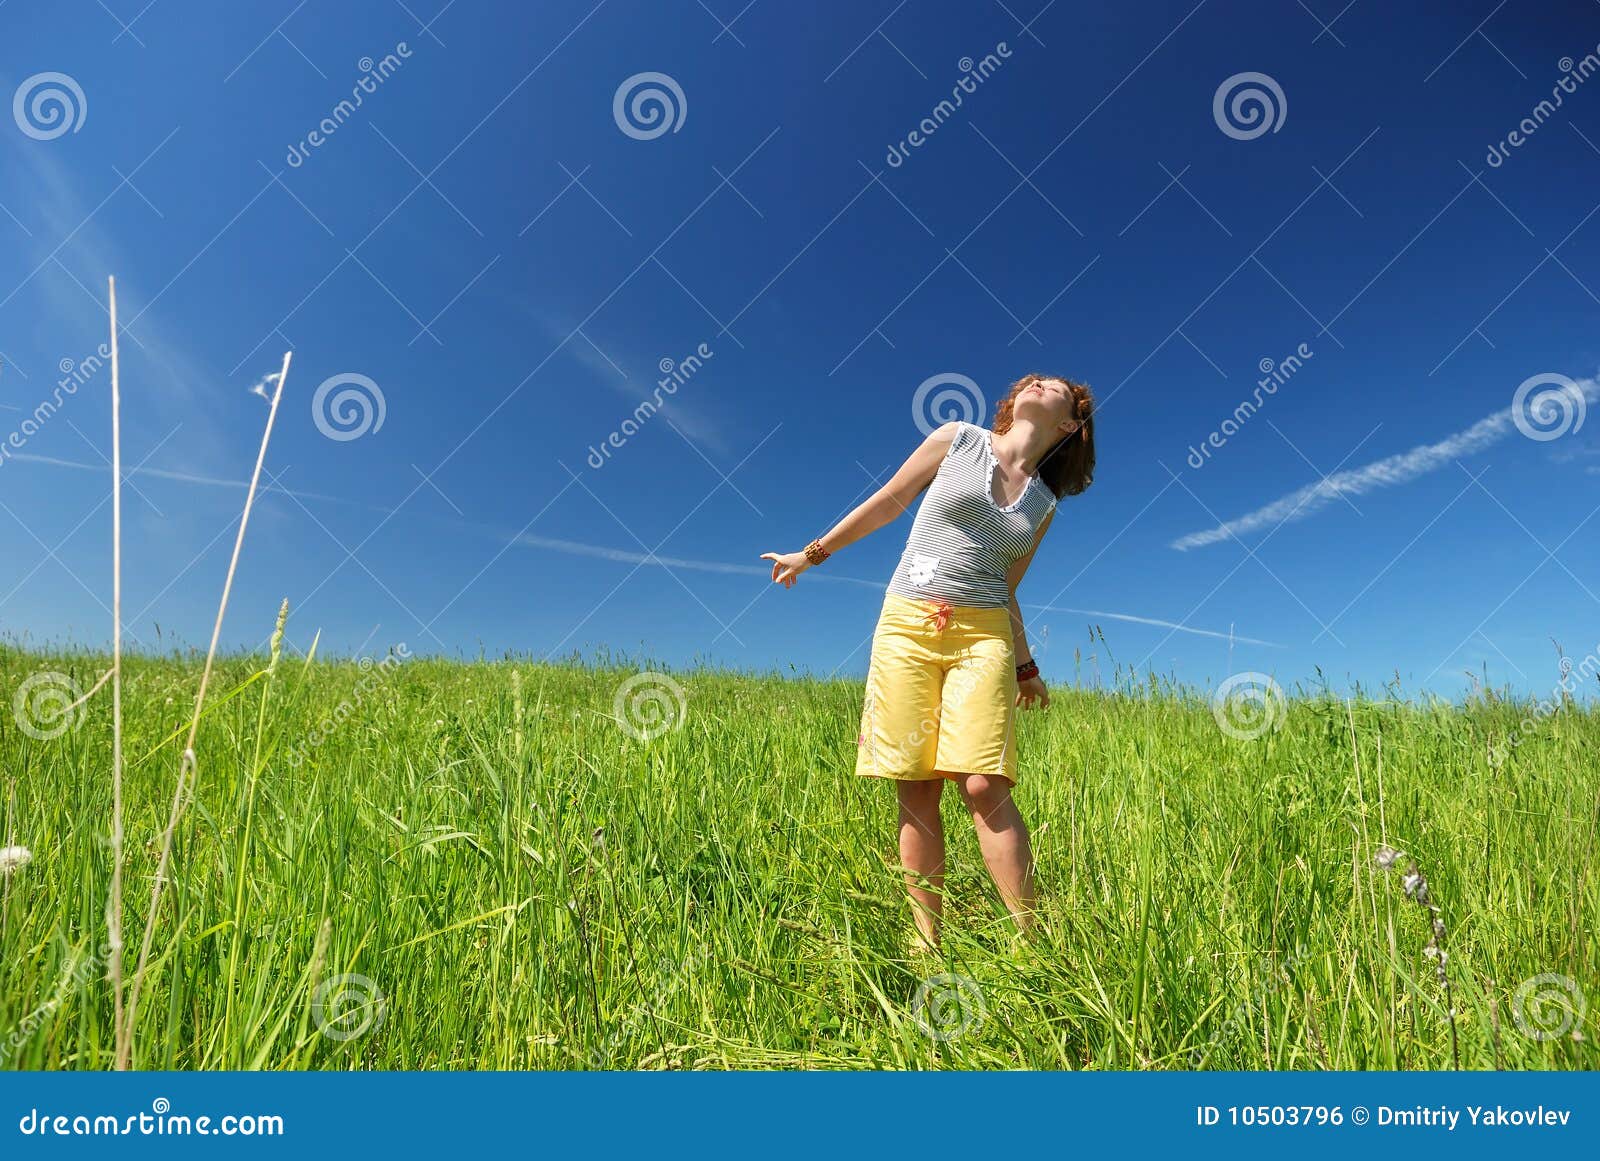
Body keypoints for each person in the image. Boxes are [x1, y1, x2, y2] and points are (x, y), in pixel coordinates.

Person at [761, 374, 1096, 949]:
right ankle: (927, 942)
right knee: (916, 787)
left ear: (1068, 424)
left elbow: (1008, 586)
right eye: (1033, 379)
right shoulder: (957, 438)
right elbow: (887, 504)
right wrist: (811, 554)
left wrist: (1026, 666)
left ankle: (1031, 942)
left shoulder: (1042, 502)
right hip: (908, 626)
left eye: (1058, 387)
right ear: (1014, 403)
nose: (1041, 382)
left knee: (984, 784)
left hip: (982, 634)